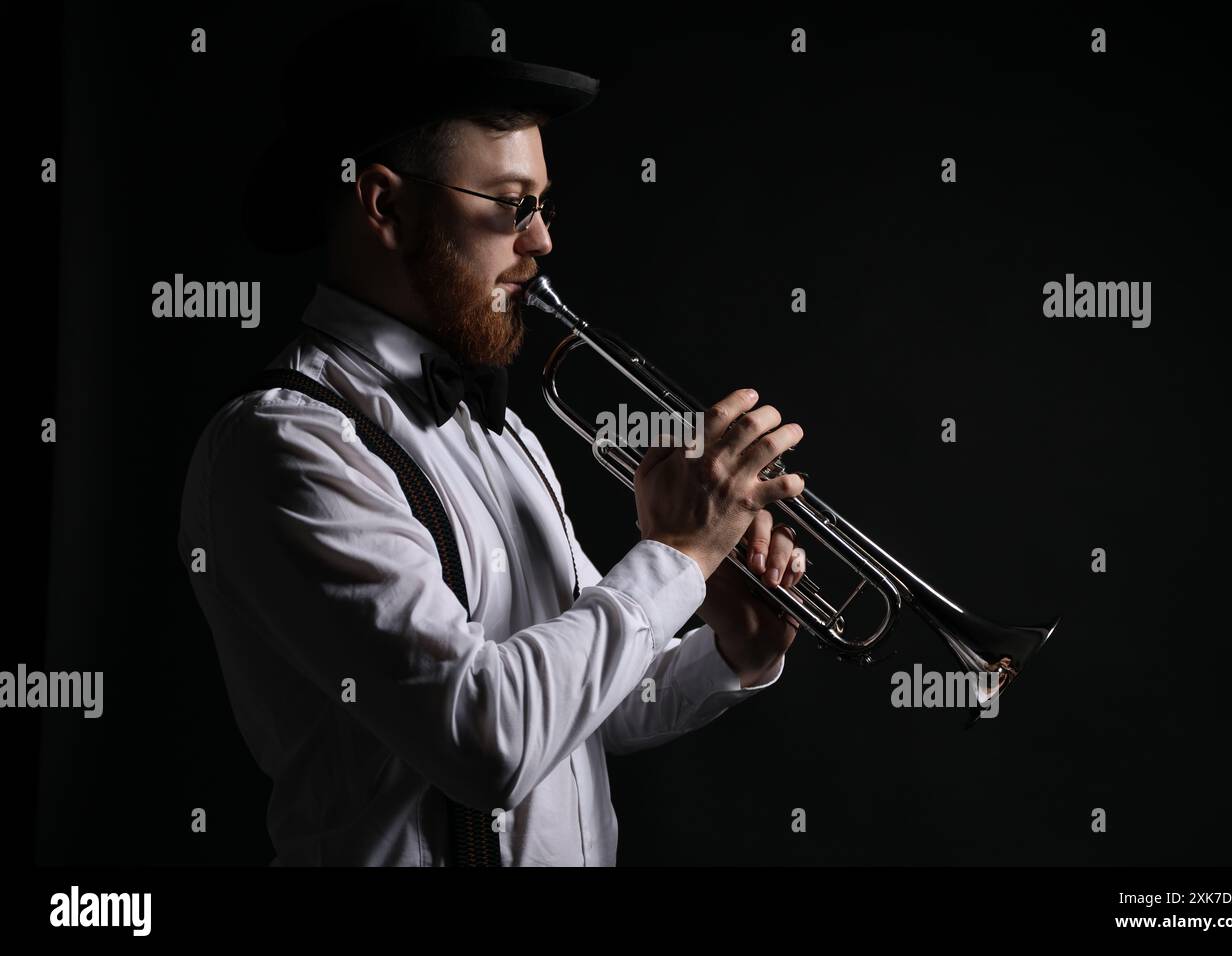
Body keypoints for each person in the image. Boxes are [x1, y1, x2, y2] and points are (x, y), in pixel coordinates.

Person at [178, 0, 807, 866]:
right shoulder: (281, 447)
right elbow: (489, 738)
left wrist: (733, 647)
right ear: (384, 204)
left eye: (542, 204)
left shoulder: (505, 435)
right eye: (513, 205)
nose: (543, 240)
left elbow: (597, 700)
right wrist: (681, 556)